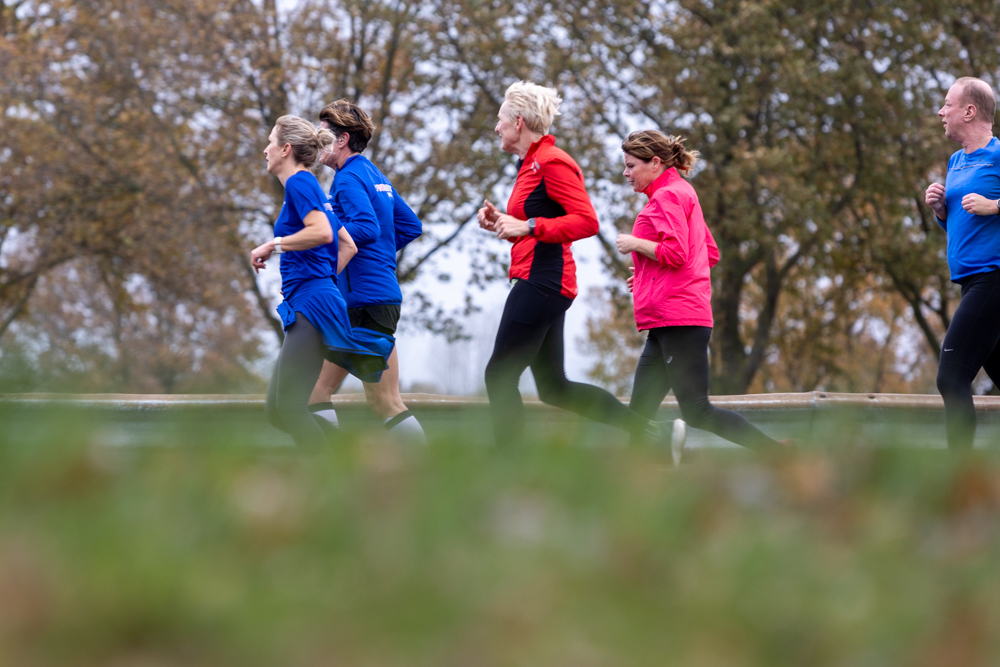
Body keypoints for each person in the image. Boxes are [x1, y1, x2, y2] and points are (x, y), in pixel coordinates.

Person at [478, 81, 673, 450]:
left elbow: (587, 221)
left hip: (542, 281)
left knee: (499, 375)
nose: (496, 127)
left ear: (518, 122)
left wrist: (528, 226)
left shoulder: (552, 161)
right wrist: (503, 221)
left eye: (500, 119)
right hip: (543, 280)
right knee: (554, 387)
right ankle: (655, 434)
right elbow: (538, 220)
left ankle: (508, 468)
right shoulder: (529, 164)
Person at [616, 130, 782, 453]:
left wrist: (635, 243)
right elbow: (709, 251)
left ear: (654, 163)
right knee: (638, 416)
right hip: (669, 321)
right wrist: (648, 275)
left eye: (631, 166)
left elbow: (677, 253)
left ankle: (779, 454)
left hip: (679, 320)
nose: (625, 173)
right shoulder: (680, 191)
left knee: (697, 410)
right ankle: (643, 483)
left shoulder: (668, 196)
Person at [252, 115, 394, 448]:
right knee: (277, 410)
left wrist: (274, 245)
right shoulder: (307, 189)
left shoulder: (301, 184)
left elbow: (323, 232)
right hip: (314, 299)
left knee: (289, 406)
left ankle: (336, 477)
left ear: (286, 149)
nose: (265, 149)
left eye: (270, 142)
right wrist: (325, 279)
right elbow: (348, 244)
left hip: (312, 304)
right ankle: (350, 455)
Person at [305, 100, 426, 444]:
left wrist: (331, 246)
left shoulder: (346, 179)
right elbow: (410, 225)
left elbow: (365, 227)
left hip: (361, 304)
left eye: (323, 134)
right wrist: (378, 257)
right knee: (384, 401)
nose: (317, 141)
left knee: (316, 393)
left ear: (341, 139)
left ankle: (327, 466)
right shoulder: (373, 173)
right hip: (381, 299)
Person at [925, 76, 1000, 449]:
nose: (941, 111)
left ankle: (958, 486)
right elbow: (962, 224)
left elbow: (987, 210)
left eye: (947, 104)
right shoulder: (956, 161)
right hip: (972, 281)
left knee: (951, 376)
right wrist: (941, 210)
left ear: (969, 111)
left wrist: (996, 205)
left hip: (994, 278)